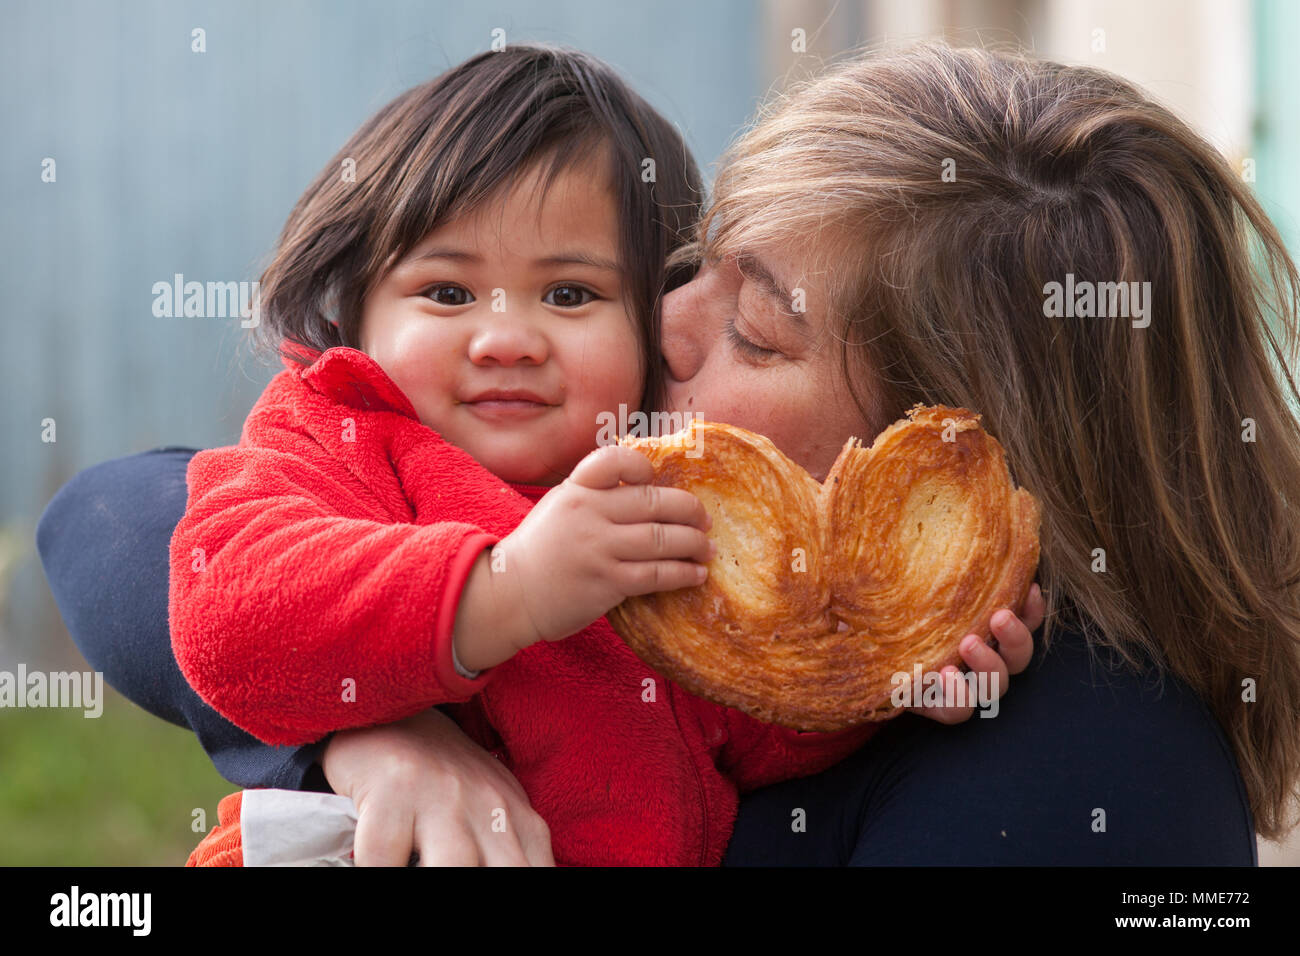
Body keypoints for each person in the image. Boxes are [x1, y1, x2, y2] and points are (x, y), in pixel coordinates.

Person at [40, 39, 1288, 866]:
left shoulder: (1098, 770)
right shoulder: (538, 492)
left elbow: (741, 737)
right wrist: (387, 713)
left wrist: (898, 680)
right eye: (691, 267)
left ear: (937, 481)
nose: (660, 327)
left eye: (751, 328)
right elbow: (128, 527)